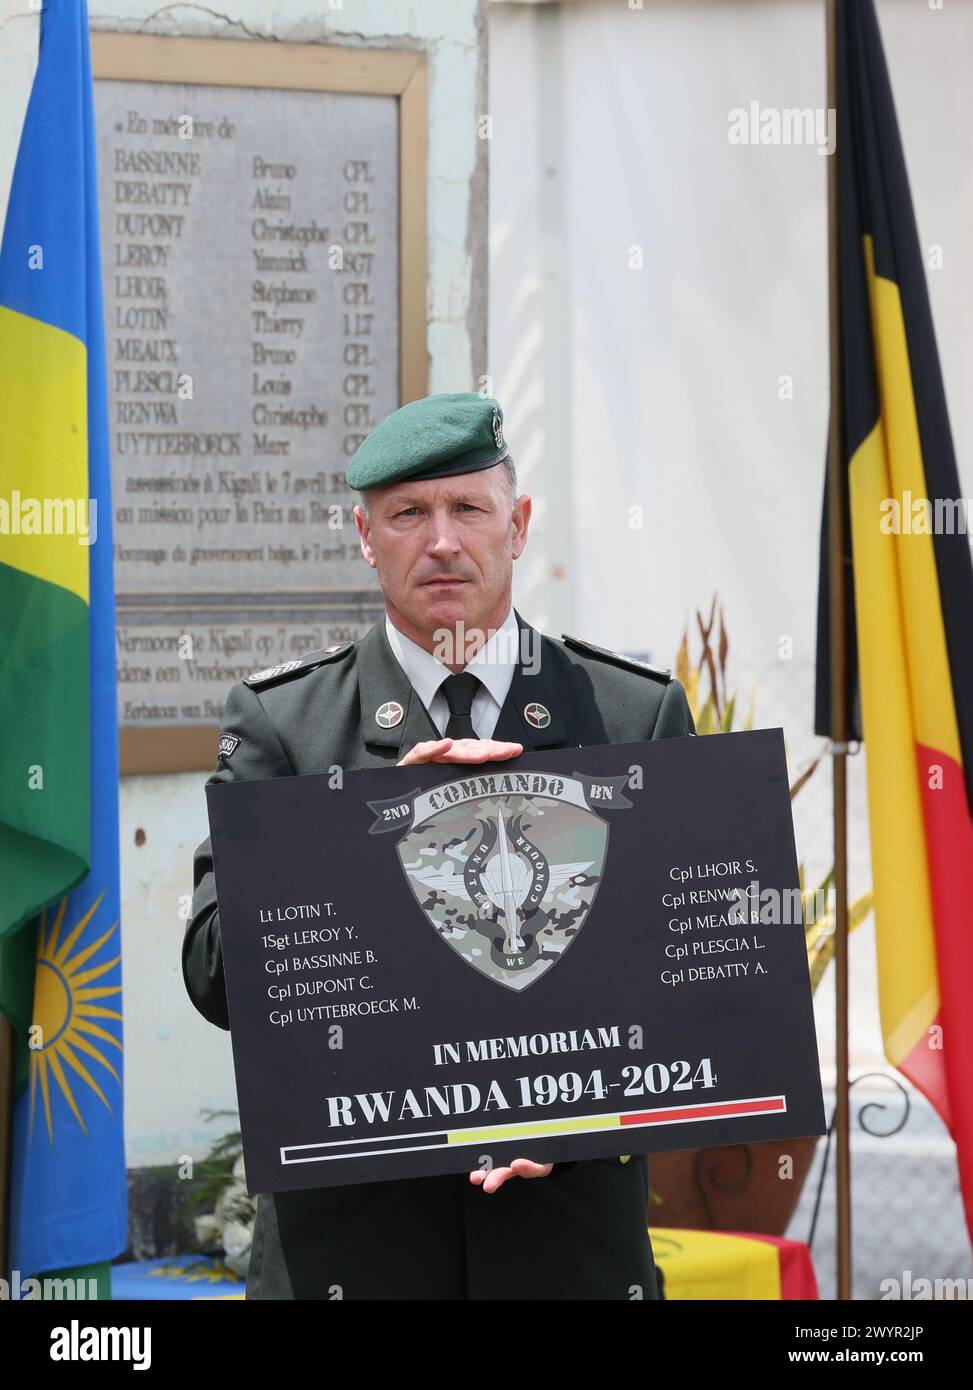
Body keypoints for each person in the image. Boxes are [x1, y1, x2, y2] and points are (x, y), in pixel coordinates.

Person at [184, 391, 696, 1299]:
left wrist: (580, 1123)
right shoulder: (283, 726)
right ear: (364, 534)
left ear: (519, 523)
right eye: (408, 514)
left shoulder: (628, 714)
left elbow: (696, 976)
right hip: (355, 1258)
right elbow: (219, 978)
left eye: (468, 508)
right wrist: (367, 836)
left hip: (565, 1256)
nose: (443, 541)